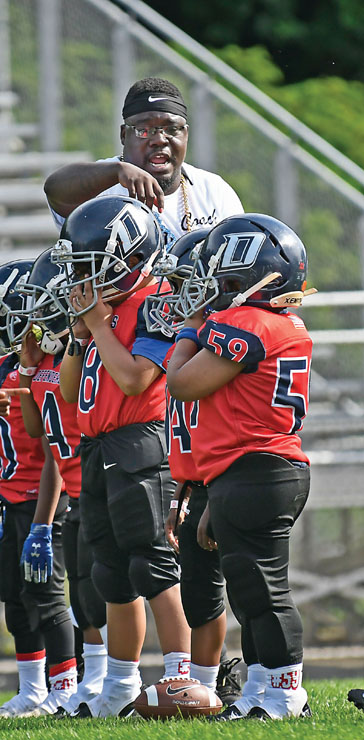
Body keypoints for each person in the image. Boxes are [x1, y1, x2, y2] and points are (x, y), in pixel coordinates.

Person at [165, 212, 316, 720]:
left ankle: (285, 693)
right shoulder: (277, 322)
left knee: (263, 587)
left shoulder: (245, 322)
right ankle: (259, 689)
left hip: (259, 468)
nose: (209, 283)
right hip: (255, 468)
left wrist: (190, 327)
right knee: (249, 587)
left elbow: (181, 382)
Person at [54, 194, 192, 718]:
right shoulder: (101, 312)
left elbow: (135, 378)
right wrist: (79, 333)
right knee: (110, 570)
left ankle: (181, 677)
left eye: (94, 267)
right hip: (96, 445)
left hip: (139, 441)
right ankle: (120, 684)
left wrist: (100, 323)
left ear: (131, 259)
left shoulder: (157, 301)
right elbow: (69, 391)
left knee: (152, 561)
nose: (85, 280)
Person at [0, 260, 78, 718]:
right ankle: (31, 688)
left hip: (45, 499)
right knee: (15, 597)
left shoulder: (53, 369)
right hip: (12, 498)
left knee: (48, 598)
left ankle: (65, 687)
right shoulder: (1, 371)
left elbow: (56, 449)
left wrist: (43, 523)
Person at [10, 247, 109, 715]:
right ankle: (94, 680)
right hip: (71, 486)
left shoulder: (84, 352)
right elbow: (40, 435)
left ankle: (122, 676)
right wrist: (28, 370)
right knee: (83, 595)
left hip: (99, 481)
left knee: (114, 587)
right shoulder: (50, 358)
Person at [147, 227, 236, 702]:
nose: (177, 294)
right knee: (200, 589)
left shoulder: (224, 344)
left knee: (241, 589)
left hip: (225, 477)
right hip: (195, 478)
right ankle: (207, 687)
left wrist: (208, 493)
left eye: (186, 282)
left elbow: (211, 420)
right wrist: (182, 492)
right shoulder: (198, 337)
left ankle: (232, 682)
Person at [43, 75, 243, 248]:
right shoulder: (102, 185)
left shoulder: (213, 190)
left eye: (172, 129)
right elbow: (54, 189)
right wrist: (117, 171)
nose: (159, 140)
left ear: (186, 134)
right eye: (144, 130)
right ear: (124, 135)